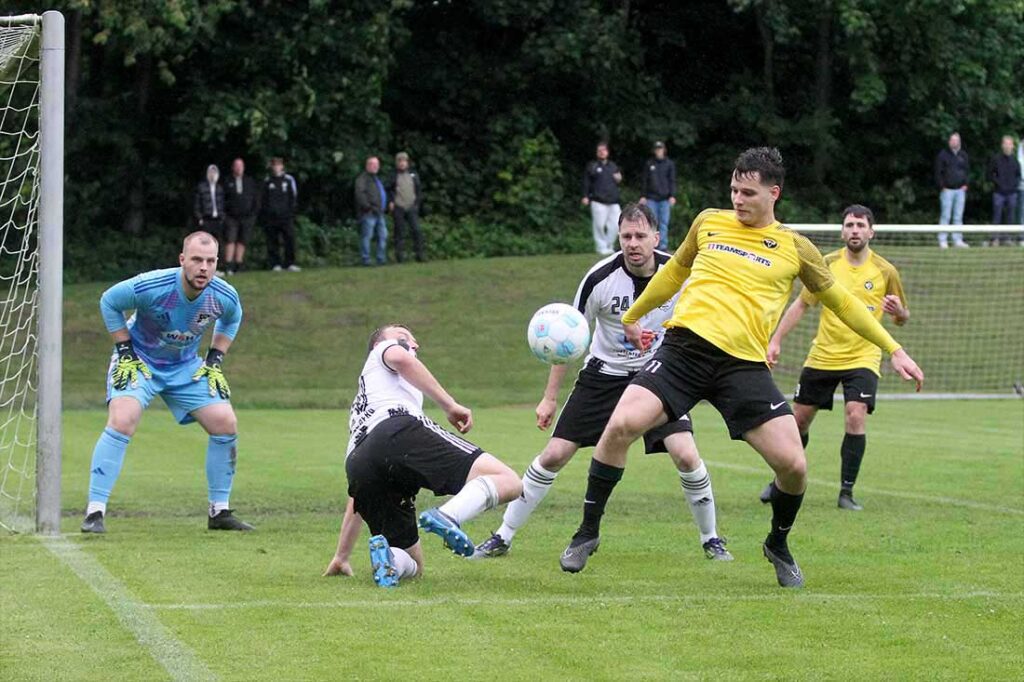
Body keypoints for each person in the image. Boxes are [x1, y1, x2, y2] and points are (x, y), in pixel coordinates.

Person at [557, 147, 924, 588]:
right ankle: (587, 532)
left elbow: (842, 302)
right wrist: (635, 314)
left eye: (748, 192)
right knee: (620, 426)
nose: (737, 198)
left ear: (774, 193)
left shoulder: (796, 247)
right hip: (684, 351)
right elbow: (674, 273)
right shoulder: (708, 222)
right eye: (733, 189)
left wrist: (892, 347)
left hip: (743, 367)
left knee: (794, 466)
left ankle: (778, 544)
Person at [473, 203, 731, 562]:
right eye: (626, 236)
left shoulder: (679, 274)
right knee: (554, 454)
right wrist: (549, 398)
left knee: (686, 455)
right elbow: (568, 338)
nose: (633, 243)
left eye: (641, 236)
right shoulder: (599, 278)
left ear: (657, 237)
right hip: (603, 377)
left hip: (658, 376)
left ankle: (711, 539)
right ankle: (502, 535)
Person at [322, 324, 523, 587]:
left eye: (415, 341)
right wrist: (450, 405)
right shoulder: (383, 352)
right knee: (508, 480)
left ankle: (390, 561)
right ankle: (448, 516)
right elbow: (400, 358)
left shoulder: (365, 402)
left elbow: (356, 497)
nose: (412, 344)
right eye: (403, 337)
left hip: (358, 461)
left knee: (413, 564)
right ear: (378, 345)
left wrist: (341, 555)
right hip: (397, 430)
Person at [80, 231, 253, 534]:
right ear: (182, 260)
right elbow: (109, 301)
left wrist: (214, 358)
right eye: (197, 260)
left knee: (225, 423)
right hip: (140, 361)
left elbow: (233, 317)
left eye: (210, 261)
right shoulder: (153, 285)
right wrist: (124, 349)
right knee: (123, 420)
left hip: (185, 366)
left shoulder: (223, 295)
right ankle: (95, 511)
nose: (204, 267)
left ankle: (219, 512)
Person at [764, 204, 909, 511]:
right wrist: (775, 339)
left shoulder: (886, 271)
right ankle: (781, 480)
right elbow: (801, 305)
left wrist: (900, 314)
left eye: (860, 225)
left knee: (855, 414)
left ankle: (846, 492)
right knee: (798, 421)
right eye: (849, 225)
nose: (854, 230)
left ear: (871, 231)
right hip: (824, 355)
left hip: (864, 356)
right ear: (842, 231)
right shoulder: (826, 264)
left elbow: (901, 318)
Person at [582, 142, 623, 255]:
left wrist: (619, 178)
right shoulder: (592, 166)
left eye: (603, 150)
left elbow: (619, 179)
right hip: (598, 200)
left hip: (613, 201)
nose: (602, 152)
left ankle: (609, 246)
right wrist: (585, 196)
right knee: (599, 225)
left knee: (616, 224)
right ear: (597, 153)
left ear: (607, 152)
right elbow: (586, 182)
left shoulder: (613, 166)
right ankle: (601, 247)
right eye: (599, 150)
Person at [261, 157, 300, 272]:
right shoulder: (268, 181)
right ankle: (275, 263)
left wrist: (291, 212)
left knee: (289, 239)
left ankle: (290, 263)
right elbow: (264, 199)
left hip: (286, 216)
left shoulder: (288, 180)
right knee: (273, 240)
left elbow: (293, 197)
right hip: (272, 217)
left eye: (278, 165)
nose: (276, 167)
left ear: (282, 166)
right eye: (274, 165)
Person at [223, 158, 260, 275]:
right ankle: (228, 265)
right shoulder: (227, 181)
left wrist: (253, 213)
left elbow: (255, 198)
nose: (239, 168)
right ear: (233, 167)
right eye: (236, 166)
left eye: (241, 166)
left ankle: (239, 265)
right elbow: (223, 199)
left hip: (247, 216)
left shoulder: (249, 181)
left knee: (242, 240)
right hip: (231, 216)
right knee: (230, 239)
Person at [388, 152, 425, 263]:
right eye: (400, 161)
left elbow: (418, 190)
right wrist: (391, 201)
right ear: (397, 163)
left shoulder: (413, 174)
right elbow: (388, 188)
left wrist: (417, 204)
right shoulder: (393, 175)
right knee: (399, 232)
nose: (402, 163)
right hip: (399, 206)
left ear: (407, 162)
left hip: (411, 206)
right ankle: (400, 257)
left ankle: (420, 255)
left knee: (416, 230)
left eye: (404, 161)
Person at [639, 141, 677, 250]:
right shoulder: (649, 163)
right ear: (654, 150)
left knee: (664, 223)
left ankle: (663, 245)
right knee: (651, 222)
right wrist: (643, 195)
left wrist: (672, 195)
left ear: (664, 150)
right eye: (657, 149)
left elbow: (672, 180)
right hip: (651, 198)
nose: (658, 151)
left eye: (660, 149)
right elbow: (645, 180)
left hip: (665, 198)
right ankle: (652, 244)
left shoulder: (669, 164)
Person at [935, 132, 970, 249]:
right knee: (945, 216)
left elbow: (967, 171)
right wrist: (942, 186)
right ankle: (942, 240)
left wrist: (966, 184)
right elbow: (938, 172)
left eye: (956, 140)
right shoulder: (943, 155)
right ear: (949, 142)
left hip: (960, 190)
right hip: (947, 191)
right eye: (952, 140)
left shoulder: (964, 155)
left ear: (959, 142)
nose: (954, 142)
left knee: (958, 217)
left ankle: (957, 240)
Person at [986, 135, 1021, 245]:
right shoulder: (996, 159)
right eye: (1006, 144)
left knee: (1010, 217)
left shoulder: (1015, 161)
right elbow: (989, 174)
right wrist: (998, 183)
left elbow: (1018, 176)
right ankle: (995, 239)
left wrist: (1013, 186)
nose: (1008, 146)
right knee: (997, 216)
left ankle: (1007, 238)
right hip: (999, 193)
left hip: (1012, 193)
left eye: (1010, 144)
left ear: (1012, 146)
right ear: (1002, 145)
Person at [355, 156, 389, 266]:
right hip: (369, 213)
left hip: (379, 212)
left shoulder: (376, 179)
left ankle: (381, 258)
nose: (376, 167)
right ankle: (366, 259)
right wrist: (368, 207)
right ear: (367, 165)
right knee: (367, 236)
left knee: (383, 235)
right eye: (373, 164)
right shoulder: (362, 179)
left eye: (377, 164)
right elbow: (360, 195)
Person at [193, 165, 225, 273]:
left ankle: (218, 268)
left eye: (214, 172)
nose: (212, 175)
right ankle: (205, 267)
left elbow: (224, 204)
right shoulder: (201, 187)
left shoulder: (220, 188)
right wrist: (199, 218)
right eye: (210, 172)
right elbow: (197, 204)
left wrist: (222, 216)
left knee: (217, 244)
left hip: (218, 219)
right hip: (206, 219)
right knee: (206, 245)